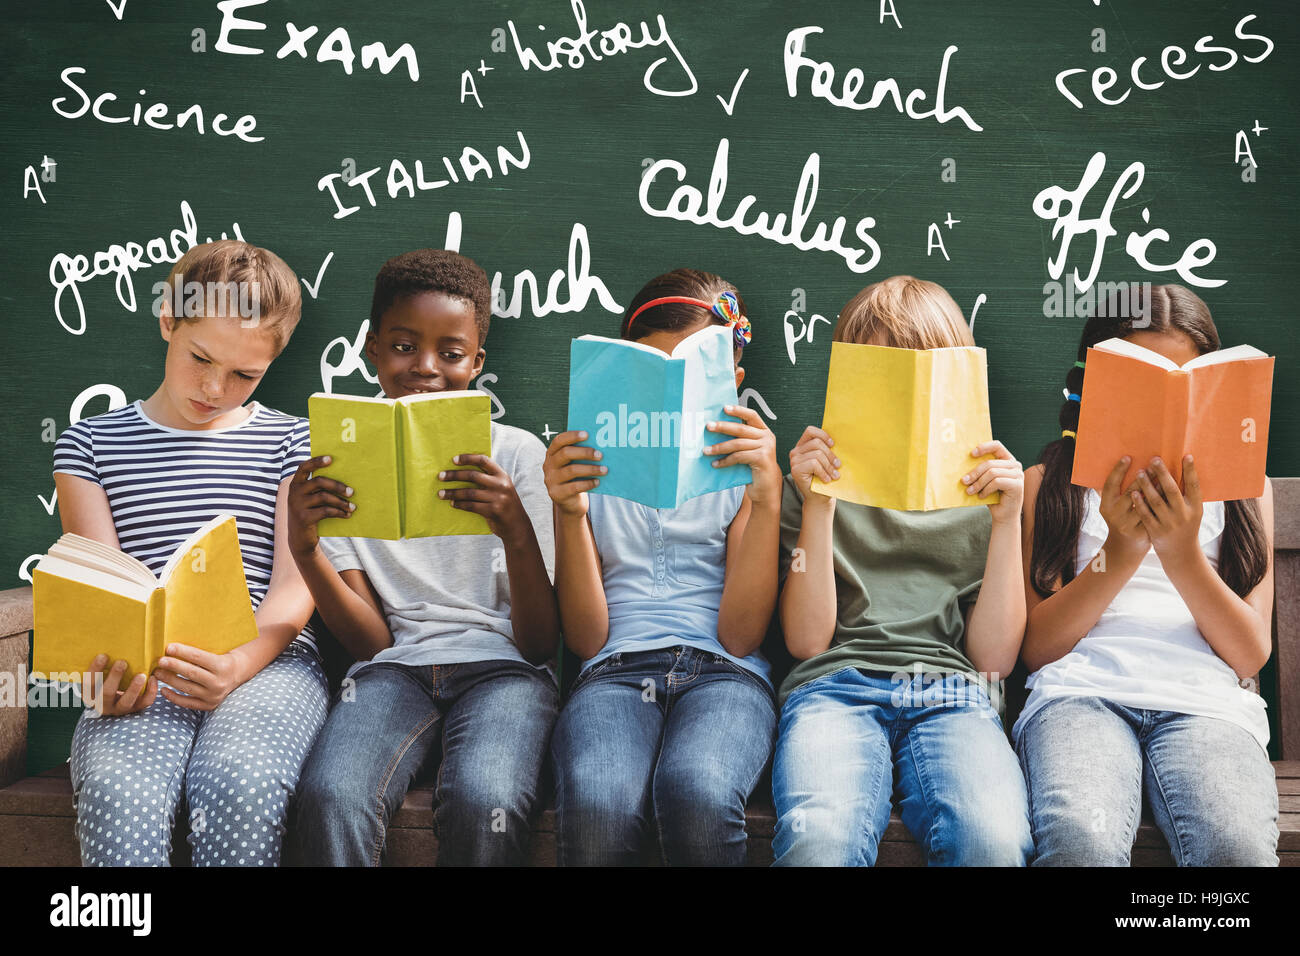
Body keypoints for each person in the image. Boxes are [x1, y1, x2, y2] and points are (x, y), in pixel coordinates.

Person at [54, 240, 327, 866]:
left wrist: (239, 664)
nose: (214, 388)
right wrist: (112, 678)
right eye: (200, 358)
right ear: (167, 321)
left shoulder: (291, 441)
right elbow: (104, 590)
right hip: (144, 674)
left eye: (244, 375)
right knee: (119, 791)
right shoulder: (89, 445)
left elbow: (295, 584)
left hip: (268, 662)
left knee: (240, 781)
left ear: (273, 361)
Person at [288, 248, 560, 866]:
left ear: (477, 363)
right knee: (331, 795)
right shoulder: (339, 461)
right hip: (393, 670)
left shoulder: (515, 455)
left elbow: (541, 644)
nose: (425, 368)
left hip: (506, 670)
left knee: (484, 798)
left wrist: (514, 526)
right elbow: (370, 642)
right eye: (404, 347)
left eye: (451, 352)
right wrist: (306, 551)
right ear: (371, 349)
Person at [772, 275, 1033, 866]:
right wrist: (816, 506)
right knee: (819, 841)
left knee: (991, 842)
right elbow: (807, 642)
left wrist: (1008, 523)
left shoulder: (986, 488)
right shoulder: (816, 481)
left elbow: (993, 661)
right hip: (834, 688)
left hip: (955, 691)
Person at [1015, 282, 1278, 866]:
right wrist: (1123, 549)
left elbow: (1248, 653)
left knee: (1234, 848)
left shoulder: (1243, 491)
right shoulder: (1049, 485)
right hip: (1081, 695)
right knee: (1080, 839)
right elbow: (1038, 648)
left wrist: (1182, 553)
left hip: (1207, 704)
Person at [545, 268, 781, 866]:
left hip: (725, 671)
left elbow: (741, 635)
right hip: (614, 669)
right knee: (599, 803)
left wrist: (767, 496)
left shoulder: (742, 475)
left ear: (732, 380)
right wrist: (569, 515)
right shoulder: (590, 470)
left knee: (697, 792)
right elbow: (586, 637)